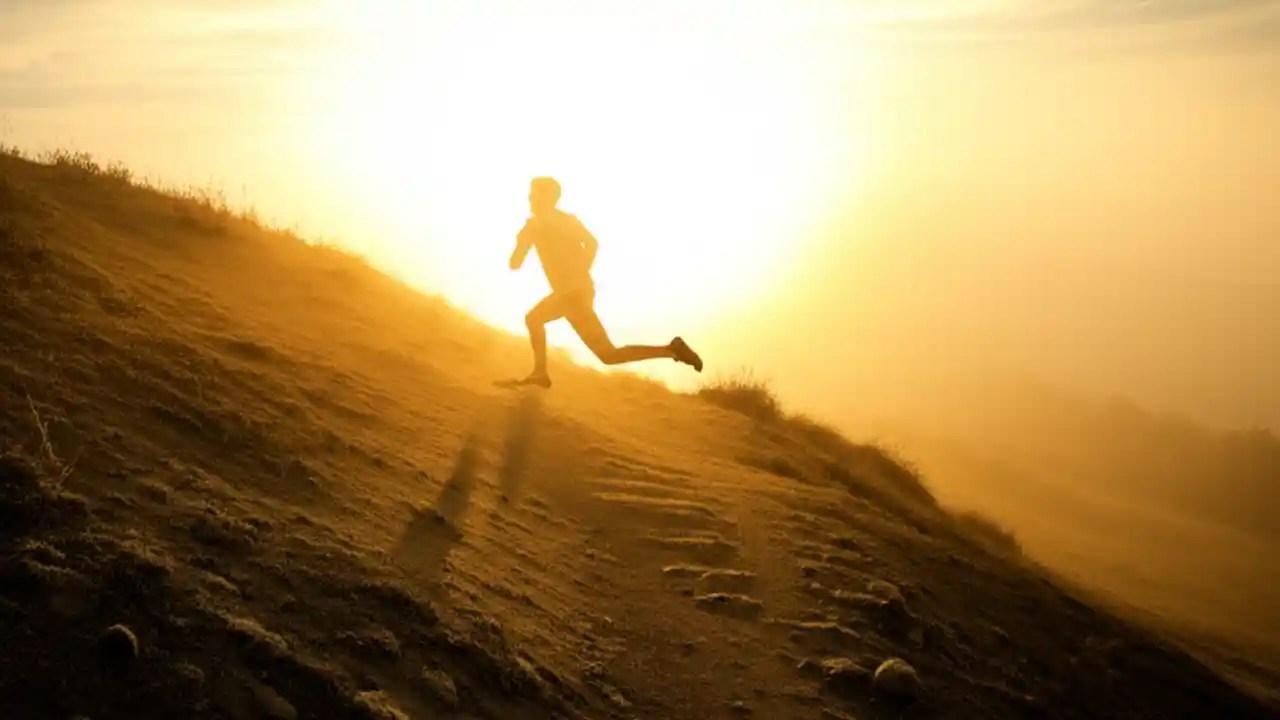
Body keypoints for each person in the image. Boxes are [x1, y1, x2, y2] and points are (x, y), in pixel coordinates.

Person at [504, 176, 702, 388]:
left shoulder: (538, 226)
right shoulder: (561, 221)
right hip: (577, 291)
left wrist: (525, 244)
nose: (530, 198)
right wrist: (580, 270)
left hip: (572, 295)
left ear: (547, 198)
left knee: (540, 321)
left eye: (534, 194)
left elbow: (515, 263)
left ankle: (671, 350)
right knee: (603, 352)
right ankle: (671, 350)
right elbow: (591, 243)